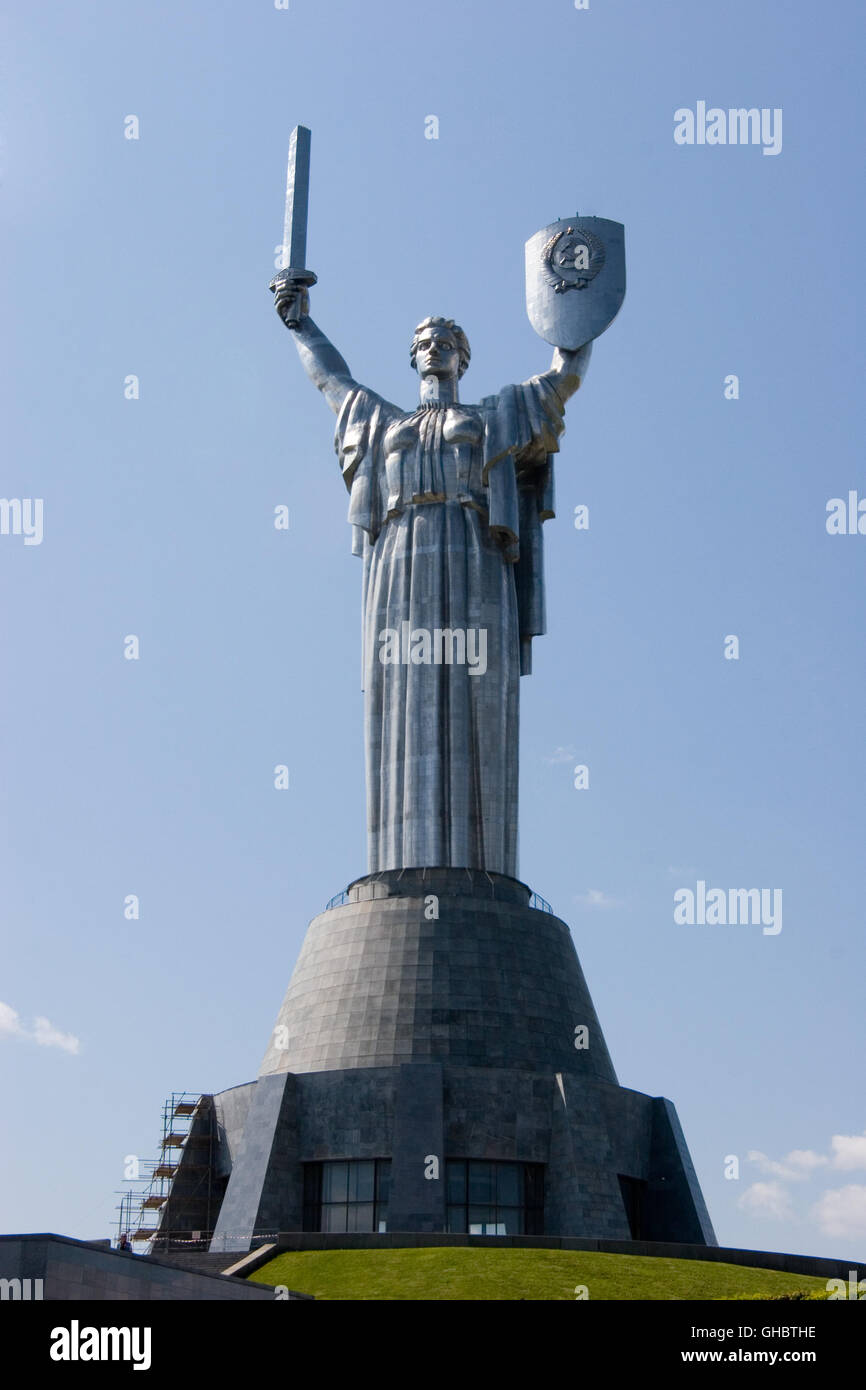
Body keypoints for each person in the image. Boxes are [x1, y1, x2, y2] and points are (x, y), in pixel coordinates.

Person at [275, 283, 591, 879]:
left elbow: (562, 380)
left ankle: (479, 870)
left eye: (447, 341)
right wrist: (302, 327)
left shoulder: (493, 415)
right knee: (404, 698)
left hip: (475, 555)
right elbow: (331, 382)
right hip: (400, 560)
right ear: (414, 355)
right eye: (425, 341)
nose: (435, 347)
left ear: (462, 358)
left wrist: (575, 320)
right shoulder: (382, 422)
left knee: (478, 695)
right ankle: (400, 868)